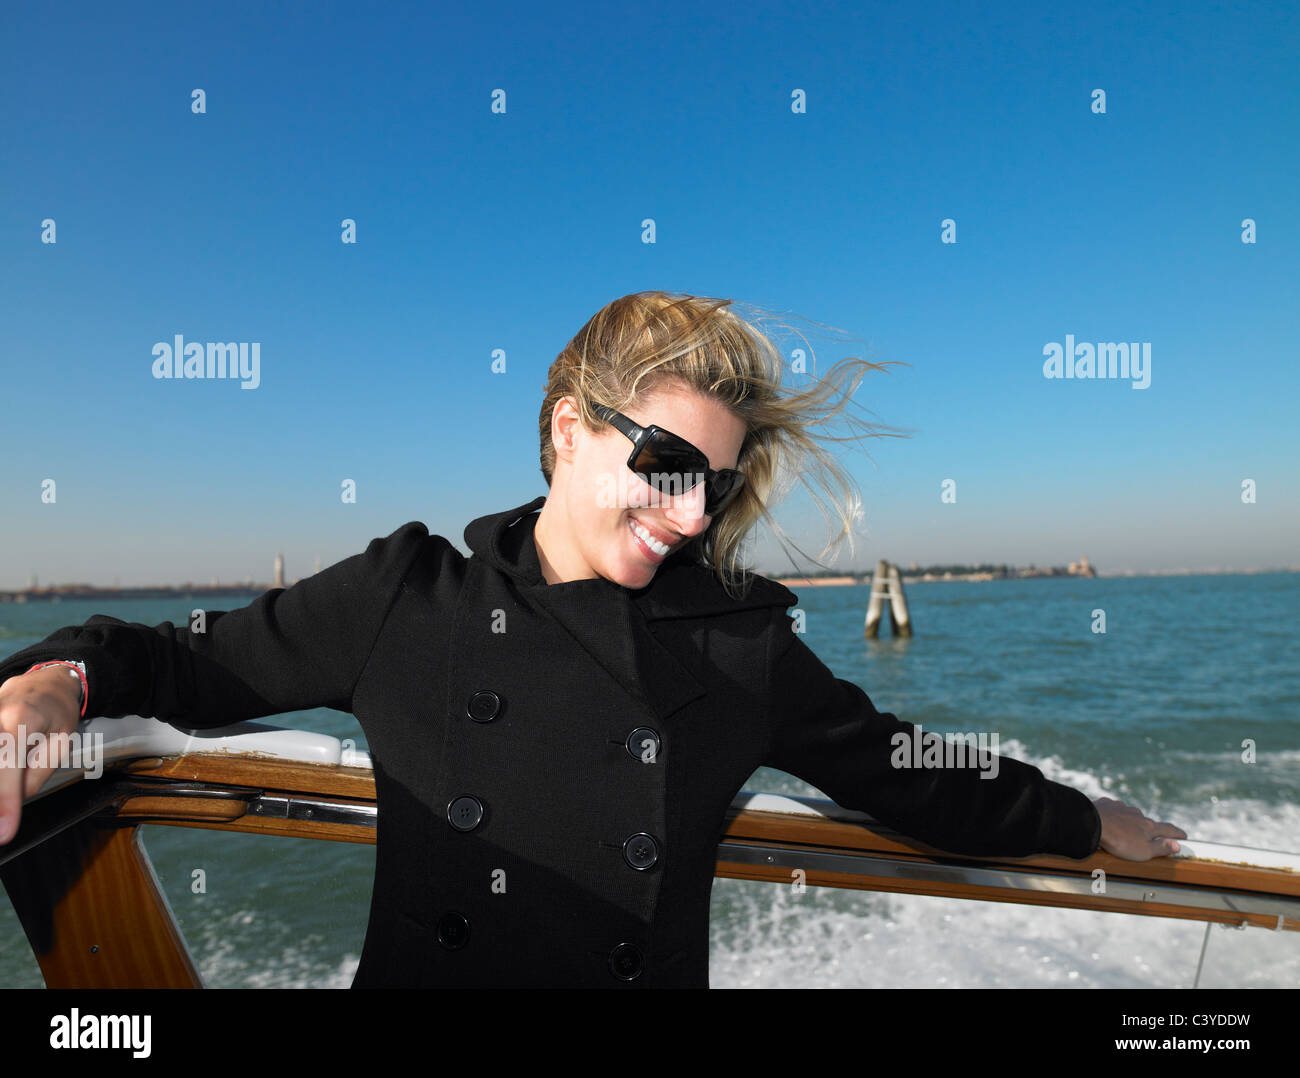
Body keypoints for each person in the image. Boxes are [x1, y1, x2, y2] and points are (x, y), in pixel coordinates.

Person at [0, 291, 1185, 987]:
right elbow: (179, 661)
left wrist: (1085, 818)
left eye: (711, 487)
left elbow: (901, 770)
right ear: (569, 428)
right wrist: (55, 691)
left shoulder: (738, 646)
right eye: (664, 468)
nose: (686, 515)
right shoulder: (407, 599)